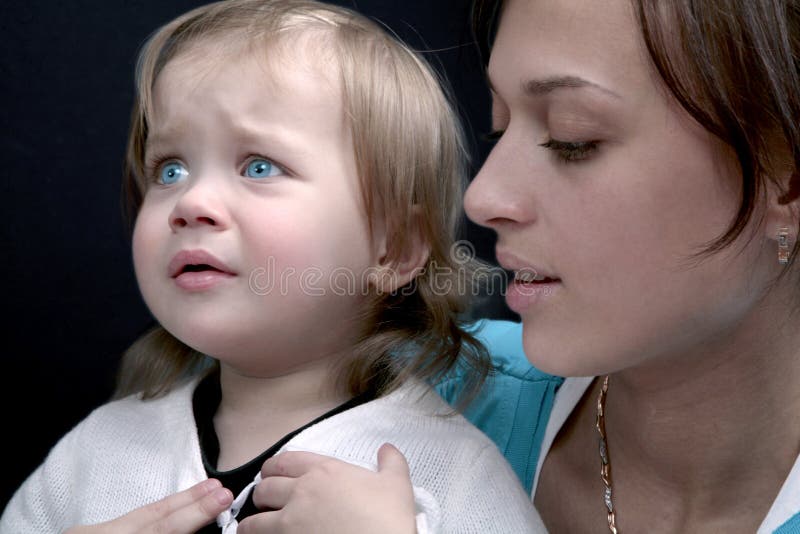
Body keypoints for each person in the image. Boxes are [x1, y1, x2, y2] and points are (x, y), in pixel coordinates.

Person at [234, 0, 800, 532]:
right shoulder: (400, 390)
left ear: (787, 181)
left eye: (572, 138)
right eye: (499, 128)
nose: (482, 198)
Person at [0, 1, 544, 533]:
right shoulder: (96, 451)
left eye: (259, 166)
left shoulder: (452, 475)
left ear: (394, 248)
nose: (191, 203)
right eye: (169, 170)